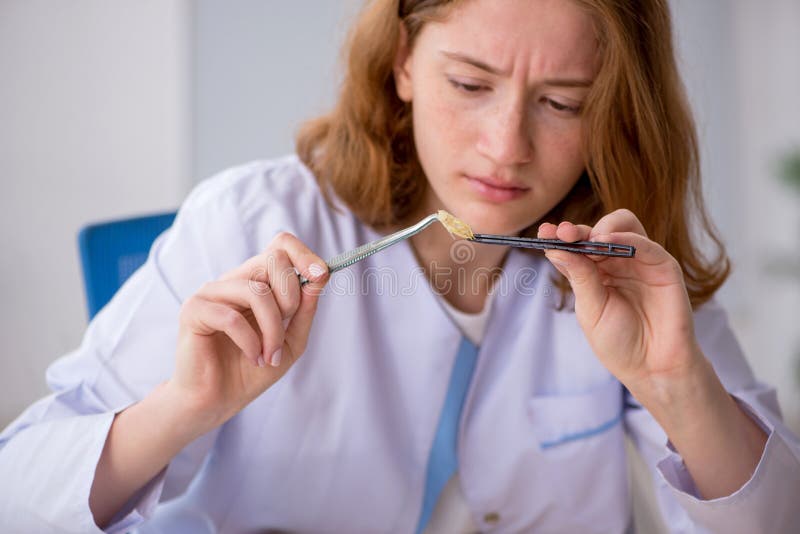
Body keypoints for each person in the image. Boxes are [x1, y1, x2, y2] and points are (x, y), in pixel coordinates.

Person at [1, 0, 798, 531]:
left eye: (563, 103)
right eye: (469, 83)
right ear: (404, 64)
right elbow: (19, 493)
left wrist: (676, 386)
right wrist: (180, 408)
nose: (505, 148)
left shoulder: (624, 259)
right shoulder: (250, 220)